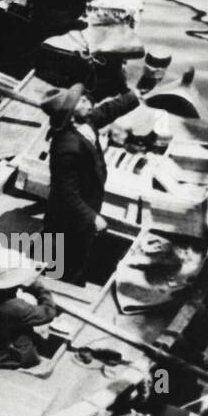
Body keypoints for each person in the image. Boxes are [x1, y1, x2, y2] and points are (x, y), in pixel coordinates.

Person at [41, 83, 140, 283]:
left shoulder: (84, 122)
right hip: (69, 217)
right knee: (69, 258)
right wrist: (92, 217)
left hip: (86, 201)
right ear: (70, 114)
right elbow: (65, 192)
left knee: (77, 248)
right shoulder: (66, 146)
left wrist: (135, 94)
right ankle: (64, 284)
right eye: (81, 100)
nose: (87, 100)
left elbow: (108, 110)